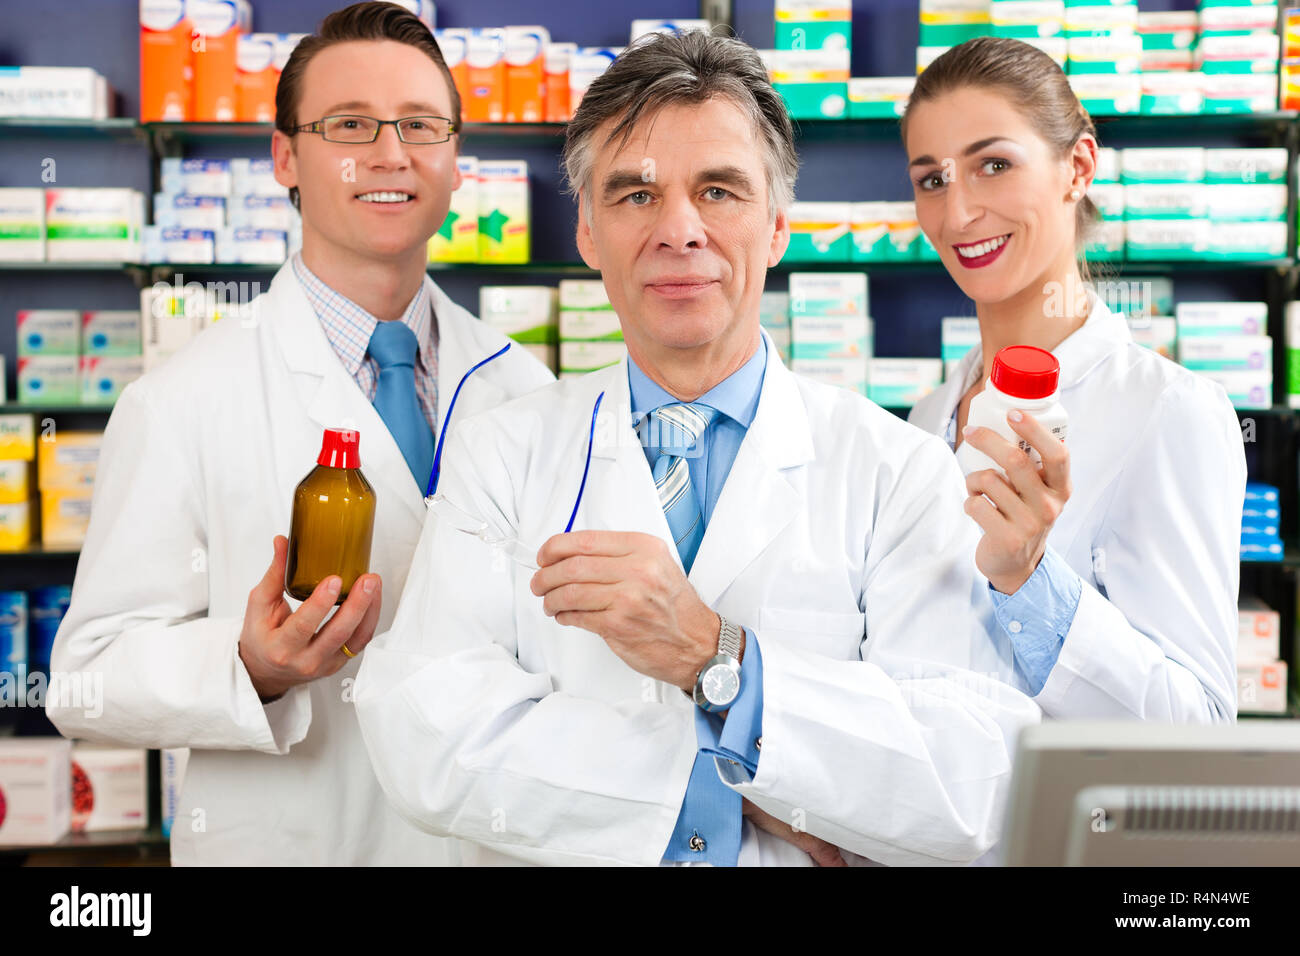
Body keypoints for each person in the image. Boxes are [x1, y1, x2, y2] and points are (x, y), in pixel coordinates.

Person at [355, 30, 1040, 867]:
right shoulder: (501, 455)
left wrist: (715, 654)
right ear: (589, 234)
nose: (679, 230)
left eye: (718, 190)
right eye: (635, 195)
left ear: (779, 225)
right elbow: (427, 732)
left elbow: (969, 775)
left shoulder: (895, 472)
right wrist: (731, 786)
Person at [45, 1, 552, 865]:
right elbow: (84, 680)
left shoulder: (524, 388)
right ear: (286, 155)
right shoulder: (182, 400)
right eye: (350, 124)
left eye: (421, 126)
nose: (391, 154)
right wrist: (251, 665)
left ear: (456, 159)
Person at [903, 36, 1244, 722]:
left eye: (993, 164)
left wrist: (1030, 579)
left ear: (1077, 167)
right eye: (932, 179)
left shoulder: (1169, 411)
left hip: (1059, 829)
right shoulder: (927, 415)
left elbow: (1199, 727)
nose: (958, 213)